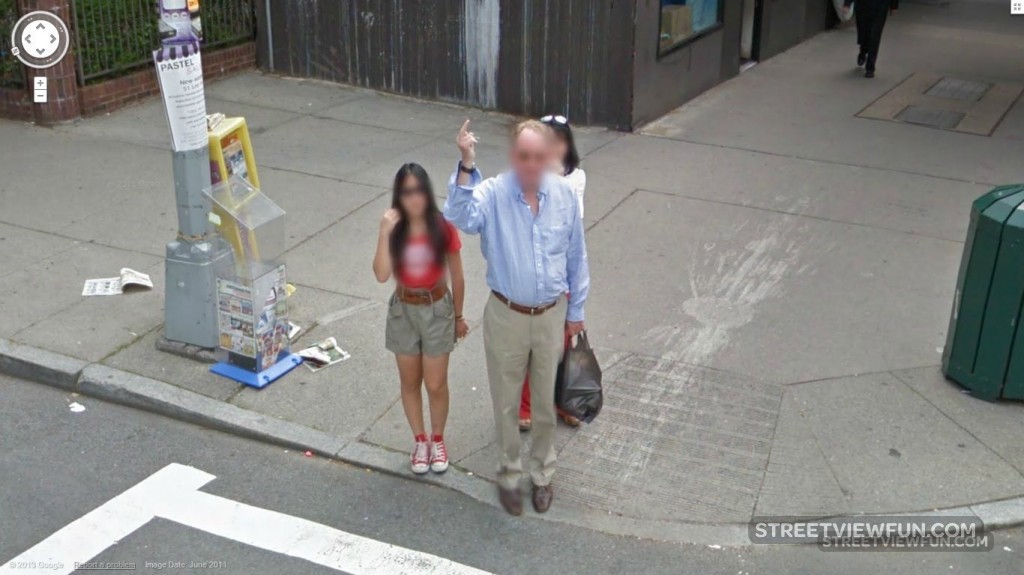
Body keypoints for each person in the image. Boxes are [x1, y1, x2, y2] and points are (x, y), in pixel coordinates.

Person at [445, 119, 590, 516]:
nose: (531, 164)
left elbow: (577, 256)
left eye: (538, 157)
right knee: (507, 404)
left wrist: (576, 311)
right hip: (506, 314)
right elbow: (460, 216)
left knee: (544, 404)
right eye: (523, 156)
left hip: (550, 316)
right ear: (514, 156)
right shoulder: (491, 192)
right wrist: (466, 163)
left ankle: (542, 475)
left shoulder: (563, 195)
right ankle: (509, 474)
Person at [373, 163, 470, 475]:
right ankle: (420, 441)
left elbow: (457, 273)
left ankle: (438, 439)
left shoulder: (442, 227)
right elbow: (381, 274)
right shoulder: (396, 229)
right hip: (403, 309)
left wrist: (458, 316)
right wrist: (384, 232)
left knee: (436, 383)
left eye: (417, 191)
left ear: (426, 193)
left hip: (437, 307)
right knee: (409, 381)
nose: (412, 198)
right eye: (406, 192)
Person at [519, 114, 586, 431]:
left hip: (562, 276)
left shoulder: (576, 178)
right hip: (531, 275)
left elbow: (571, 223)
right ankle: (526, 405)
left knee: (561, 347)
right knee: (530, 345)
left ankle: (564, 402)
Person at [844, 0, 898, 78]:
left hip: (881, 6)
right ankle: (863, 49)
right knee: (863, 31)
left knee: (875, 35)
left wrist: (894, 4)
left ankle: (870, 67)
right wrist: (847, 3)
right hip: (863, 6)